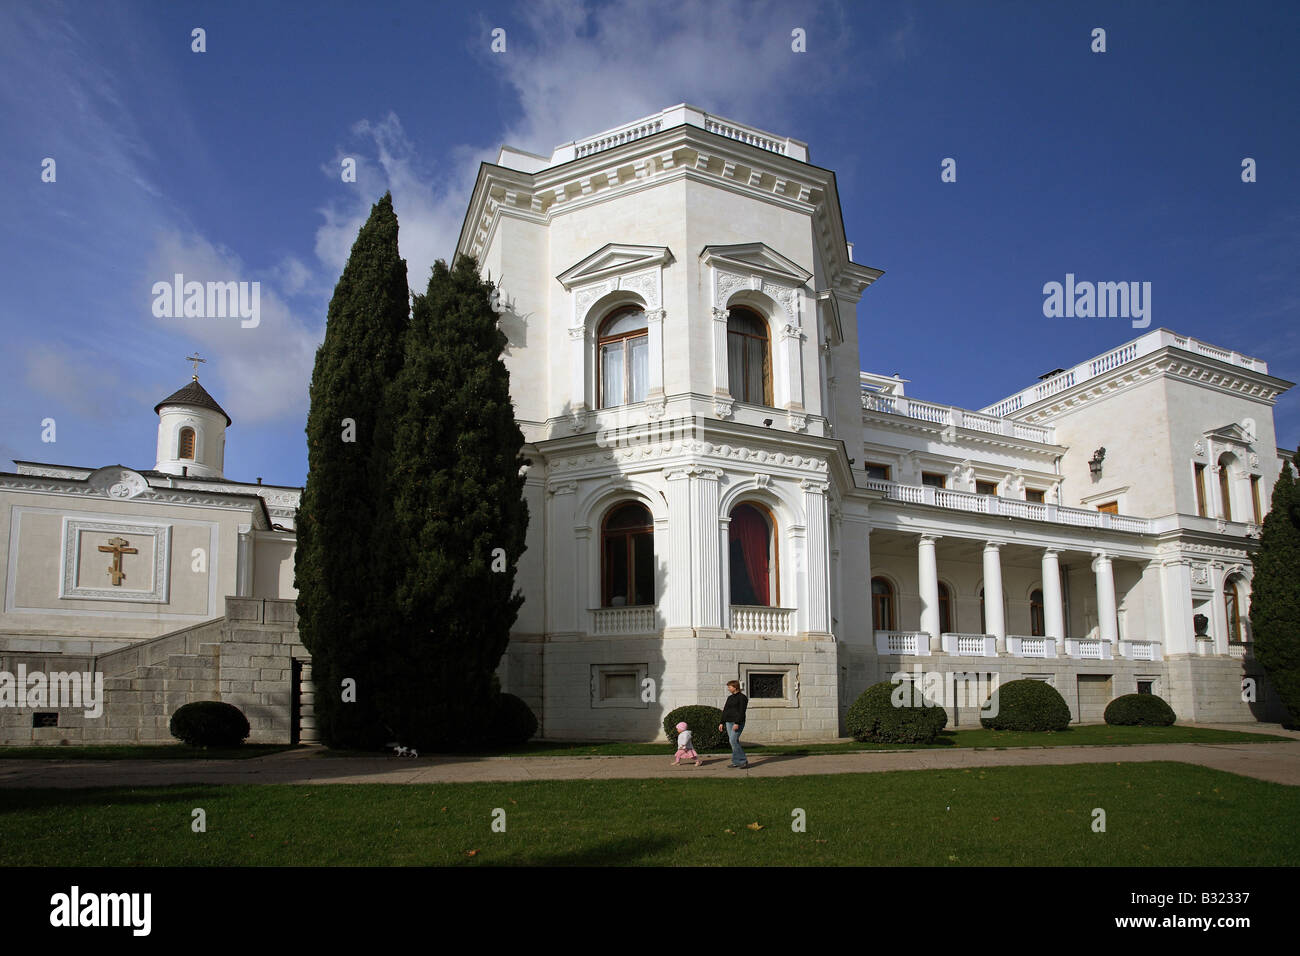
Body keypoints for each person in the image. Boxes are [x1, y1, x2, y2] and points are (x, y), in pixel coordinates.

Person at [719, 679, 749, 768]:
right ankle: (736, 762)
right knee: (733, 742)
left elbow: (741, 711)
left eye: (729, 687)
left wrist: (737, 723)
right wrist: (721, 722)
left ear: (735, 687)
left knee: (733, 740)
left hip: (737, 722)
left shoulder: (742, 697)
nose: (728, 689)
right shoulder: (730, 698)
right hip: (729, 722)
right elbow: (725, 710)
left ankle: (743, 760)